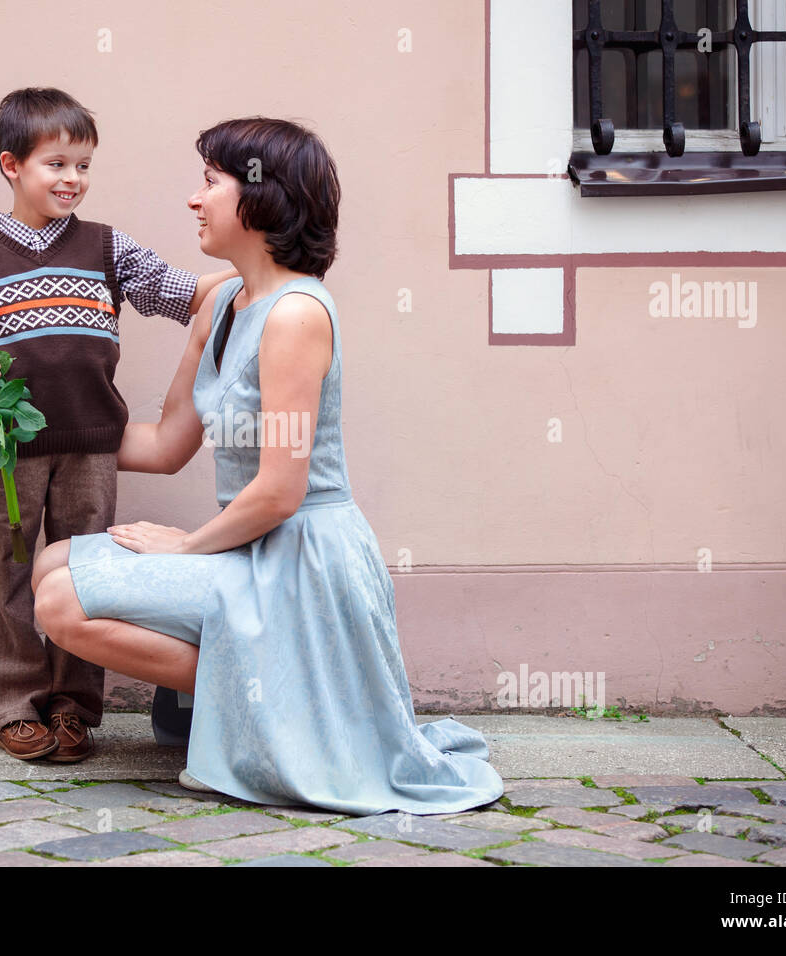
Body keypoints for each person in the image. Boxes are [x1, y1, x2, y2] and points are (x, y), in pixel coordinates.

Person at [32, 116, 504, 815]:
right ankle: (280, 696)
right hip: (247, 548)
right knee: (52, 563)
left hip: (302, 562)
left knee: (62, 603)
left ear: (262, 197)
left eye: (210, 182)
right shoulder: (224, 301)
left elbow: (281, 491)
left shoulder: (296, 315)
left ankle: (296, 703)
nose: (195, 200)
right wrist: (31, 427)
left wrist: (186, 548)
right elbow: (164, 445)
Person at [0, 87, 236, 764]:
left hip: (92, 447)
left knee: (89, 573)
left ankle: (75, 707)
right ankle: (15, 706)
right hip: (6, 447)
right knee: (7, 572)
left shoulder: (107, 247)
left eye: (84, 166)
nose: (73, 179)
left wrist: (257, 271)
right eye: (57, 164)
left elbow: (177, 291)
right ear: (12, 165)